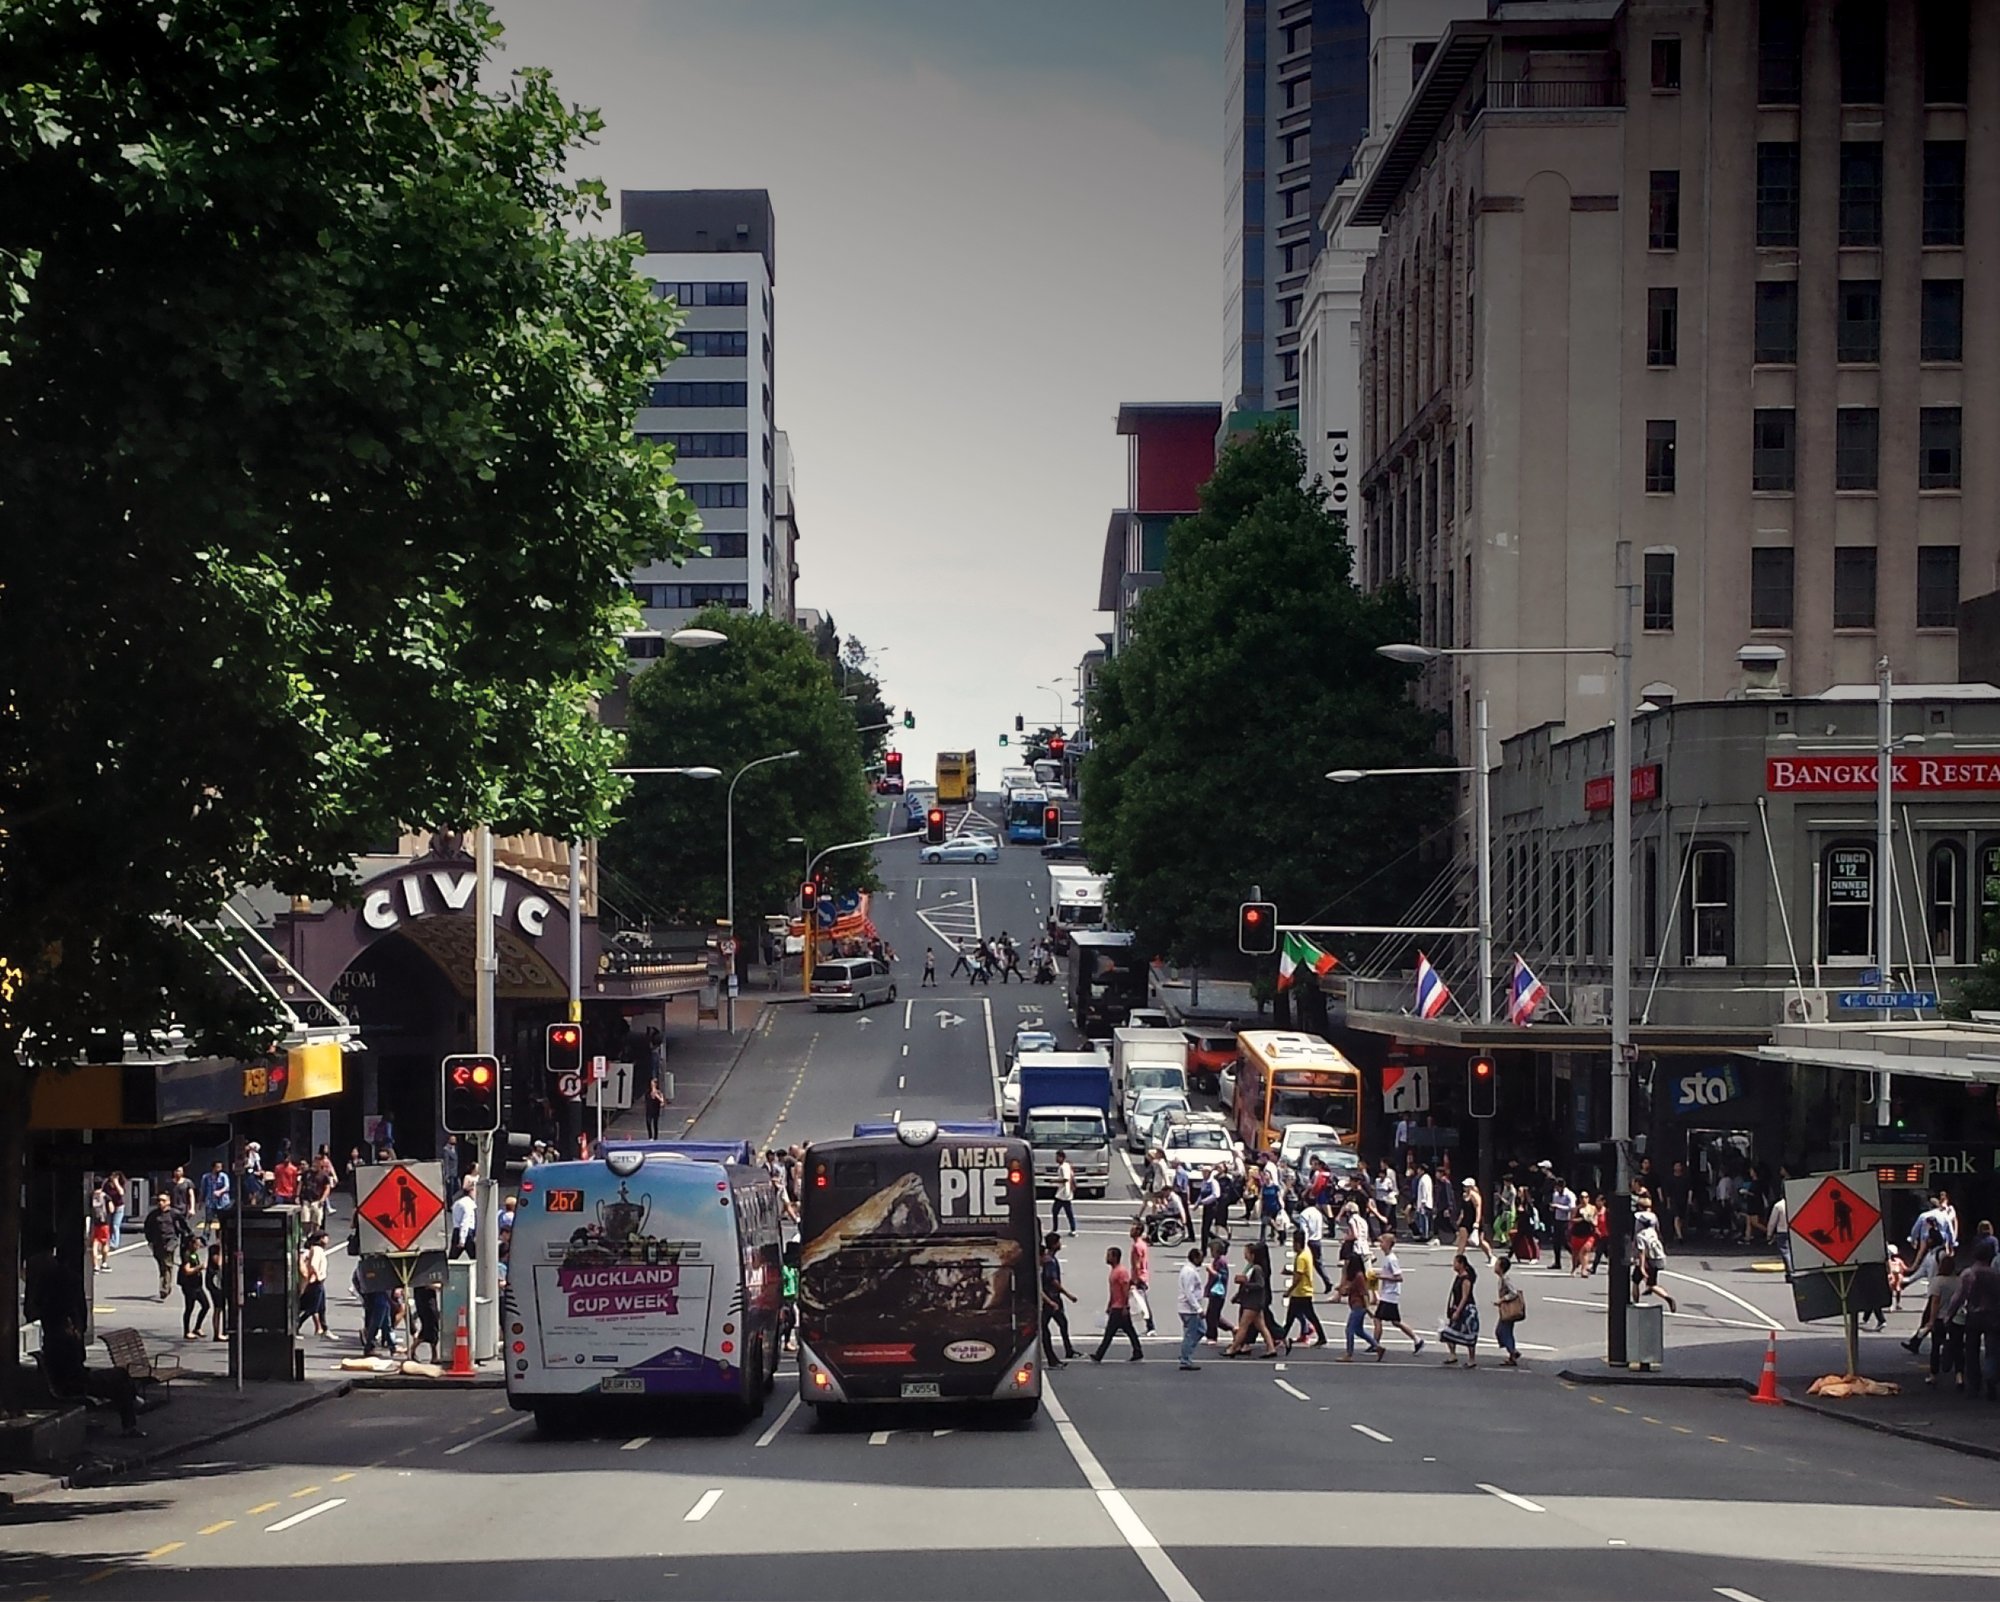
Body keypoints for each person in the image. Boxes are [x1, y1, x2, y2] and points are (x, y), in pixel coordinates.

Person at [1371, 1232, 1425, 1355]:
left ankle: (1375, 1344)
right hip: (1387, 1293)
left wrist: (1382, 1277)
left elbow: (1399, 1277)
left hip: (1390, 1294)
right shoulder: (1387, 1258)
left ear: (1389, 1244)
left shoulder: (1392, 1259)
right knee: (1394, 1321)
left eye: (1382, 1242)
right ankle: (1417, 1340)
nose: (1380, 1245)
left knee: (1378, 1318)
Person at [1225, 1242, 1280, 1358]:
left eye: (1247, 1253)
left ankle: (1233, 1348)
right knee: (1261, 1326)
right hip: (1254, 1301)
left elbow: (1260, 1285)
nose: (1245, 1255)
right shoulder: (1254, 1267)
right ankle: (1271, 1348)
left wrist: (1246, 1283)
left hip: (1253, 1302)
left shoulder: (1257, 1268)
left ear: (1253, 1255)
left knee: (1243, 1326)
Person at [1089, 1246, 1143, 1362]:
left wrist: (1125, 1306)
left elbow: (1125, 1289)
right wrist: (1110, 1304)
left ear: (1115, 1257)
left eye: (1109, 1255)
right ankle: (1137, 1351)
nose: (1106, 1258)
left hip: (1119, 1307)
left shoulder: (1121, 1272)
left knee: (1110, 1332)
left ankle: (1099, 1355)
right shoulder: (1114, 1271)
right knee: (1129, 1330)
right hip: (1116, 1306)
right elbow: (1114, 1291)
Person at [1278, 1229, 1328, 1353]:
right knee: (1308, 1316)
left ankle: (1281, 1337)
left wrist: (1288, 1291)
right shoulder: (1307, 1252)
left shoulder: (1301, 1257)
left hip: (1301, 1292)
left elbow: (1298, 1278)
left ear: (1298, 1243)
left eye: (1294, 1243)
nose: (1293, 1246)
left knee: (1291, 1318)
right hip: (1305, 1291)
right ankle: (1320, 1337)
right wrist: (1290, 1272)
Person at [1336, 1243, 1380, 1361]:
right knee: (1359, 1330)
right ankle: (1377, 1346)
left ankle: (1349, 1354)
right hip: (1356, 1305)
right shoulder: (1355, 1276)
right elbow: (1348, 1291)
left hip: (1359, 1306)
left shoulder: (1359, 1277)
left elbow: (1364, 1293)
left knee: (1349, 1329)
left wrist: (1368, 1308)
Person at [1040, 1232, 1079, 1364]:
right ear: (1054, 1244)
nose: (1060, 1244)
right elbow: (1053, 1281)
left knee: (1061, 1323)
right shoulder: (1049, 1261)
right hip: (1051, 1297)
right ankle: (1061, 1353)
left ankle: (1068, 1349)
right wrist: (1068, 1294)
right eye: (1058, 1242)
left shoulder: (1048, 1258)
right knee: (1047, 1326)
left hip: (1051, 1297)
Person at [143, 1193, 188, 1300]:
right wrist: (150, 1241)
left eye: (163, 1200)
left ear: (168, 1202)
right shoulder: (153, 1215)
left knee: (167, 1264)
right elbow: (147, 1228)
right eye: (158, 1200)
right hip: (157, 1243)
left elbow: (184, 1227)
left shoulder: (174, 1214)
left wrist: (187, 1237)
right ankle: (166, 1284)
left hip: (170, 1242)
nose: (160, 1203)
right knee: (162, 1265)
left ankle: (164, 1288)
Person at [1632, 1207, 1678, 1313]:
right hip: (1658, 1258)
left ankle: (1636, 1302)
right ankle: (1667, 1297)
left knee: (1637, 1281)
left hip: (1649, 1260)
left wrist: (1642, 1267)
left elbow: (1642, 1252)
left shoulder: (1640, 1236)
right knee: (1650, 1283)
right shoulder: (1652, 1232)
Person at [1440, 1252, 1480, 1367]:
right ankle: (1453, 1354)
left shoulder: (1466, 1279)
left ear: (1461, 1264)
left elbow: (1465, 1297)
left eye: (1455, 1262)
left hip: (1467, 1310)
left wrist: (1458, 1311)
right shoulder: (1458, 1277)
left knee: (1469, 1334)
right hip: (1457, 1307)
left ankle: (1472, 1359)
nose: (1453, 1265)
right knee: (1448, 1332)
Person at [1174, 1246, 1207, 1370]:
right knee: (1191, 1333)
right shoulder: (1190, 1272)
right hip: (1189, 1309)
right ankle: (1185, 1358)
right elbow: (1189, 1292)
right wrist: (1198, 1308)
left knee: (1200, 1330)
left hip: (1189, 1308)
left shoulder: (1190, 1270)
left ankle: (1186, 1352)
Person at [296, 1229, 331, 1337]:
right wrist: (318, 1275)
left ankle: (324, 1329)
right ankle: (296, 1326)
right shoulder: (316, 1250)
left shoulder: (318, 1249)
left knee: (321, 1308)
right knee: (311, 1308)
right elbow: (313, 1264)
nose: (328, 1240)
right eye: (325, 1237)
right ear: (321, 1239)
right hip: (315, 1282)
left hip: (318, 1281)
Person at [1493, 1253, 1526, 1366]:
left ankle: (1513, 1352)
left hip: (1508, 1310)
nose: (1494, 1266)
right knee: (1506, 1331)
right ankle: (1512, 1354)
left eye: (1497, 1264)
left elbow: (1513, 1293)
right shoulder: (1502, 1279)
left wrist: (1502, 1300)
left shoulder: (1506, 1279)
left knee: (1502, 1331)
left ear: (1501, 1267)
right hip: (1505, 1310)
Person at [177, 1235, 210, 1339]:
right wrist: (198, 1268)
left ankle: (197, 1327)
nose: (198, 1246)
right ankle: (187, 1331)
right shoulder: (186, 1254)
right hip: (189, 1285)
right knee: (189, 1307)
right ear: (191, 1244)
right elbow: (187, 1270)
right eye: (196, 1244)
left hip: (197, 1284)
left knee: (206, 1305)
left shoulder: (194, 1254)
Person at [1203, 1239, 1235, 1344]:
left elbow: (1222, 1276)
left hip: (1218, 1292)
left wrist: (1210, 1270)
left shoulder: (1221, 1261)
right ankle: (1233, 1328)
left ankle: (1212, 1336)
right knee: (1213, 1315)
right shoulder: (1217, 1260)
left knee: (1211, 1315)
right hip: (1215, 1292)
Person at [1126, 1220, 1155, 1335]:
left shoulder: (1137, 1246)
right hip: (1141, 1277)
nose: (1130, 1231)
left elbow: (1137, 1264)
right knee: (1133, 1301)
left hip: (1139, 1278)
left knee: (1141, 1303)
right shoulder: (1141, 1244)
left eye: (1133, 1229)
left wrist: (1134, 1280)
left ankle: (1151, 1327)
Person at [1547, 1176, 1576, 1271]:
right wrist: (1552, 1208)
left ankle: (1576, 1257)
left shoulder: (1569, 1195)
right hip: (1557, 1219)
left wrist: (1558, 1206)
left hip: (1566, 1220)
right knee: (1556, 1242)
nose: (1556, 1189)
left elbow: (1572, 1208)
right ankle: (1557, 1262)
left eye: (1557, 1187)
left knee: (1565, 1242)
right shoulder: (1555, 1194)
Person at [198, 1159, 233, 1233]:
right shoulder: (206, 1177)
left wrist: (220, 1192)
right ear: (213, 1168)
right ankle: (205, 1239)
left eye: (220, 1167)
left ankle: (222, 1238)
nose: (219, 1169)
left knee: (223, 1222)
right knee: (208, 1222)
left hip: (223, 1203)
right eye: (217, 1167)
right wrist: (200, 1202)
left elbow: (227, 1187)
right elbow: (203, 1189)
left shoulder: (224, 1176)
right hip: (210, 1202)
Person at [1051, 1152, 1077, 1237]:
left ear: (1062, 1157)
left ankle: (1055, 1229)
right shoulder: (1066, 1165)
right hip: (1066, 1193)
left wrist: (1054, 1181)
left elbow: (1065, 1179)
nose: (1056, 1159)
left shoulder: (1063, 1167)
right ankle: (1073, 1229)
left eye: (1058, 1157)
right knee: (1068, 1212)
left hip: (1063, 1193)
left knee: (1056, 1211)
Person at [89, 1182, 113, 1270]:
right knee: (105, 1243)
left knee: (95, 1244)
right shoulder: (105, 1196)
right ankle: (104, 1263)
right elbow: (111, 1209)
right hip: (104, 1223)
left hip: (95, 1223)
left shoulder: (91, 1196)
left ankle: (95, 1265)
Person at [105, 1170, 128, 1253]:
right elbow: (105, 1194)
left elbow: (121, 1193)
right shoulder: (107, 1184)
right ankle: (108, 1241)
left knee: (115, 1225)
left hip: (119, 1207)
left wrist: (116, 1183)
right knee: (109, 1225)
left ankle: (114, 1244)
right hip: (109, 1207)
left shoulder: (120, 1184)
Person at [644, 1071, 665, 1140]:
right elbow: (648, 1098)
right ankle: (650, 1137)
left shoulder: (658, 1092)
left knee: (655, 1124)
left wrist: (661, 1100)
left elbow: (662, 1101)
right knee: (648, 1122)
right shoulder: (648, 1092)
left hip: (655, 1109)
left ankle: (655, 1137)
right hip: (649, 1109)